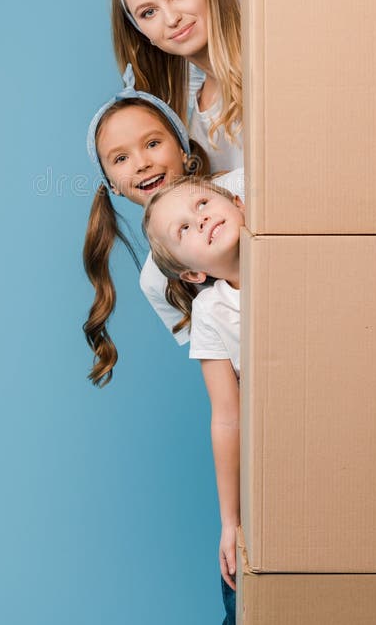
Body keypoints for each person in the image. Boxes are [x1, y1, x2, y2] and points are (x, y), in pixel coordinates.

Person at [83, 64, 244, 388]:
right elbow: (221, 372)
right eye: (120, 159)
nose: (142, 163)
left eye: (153, 143)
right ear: (111, 184)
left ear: (184, 149)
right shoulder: (155, 281)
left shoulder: (240, 188)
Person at [144, 176, 244, 623]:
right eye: (184, 230)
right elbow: (226, 417)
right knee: (237, 584)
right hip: (277, 456)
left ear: (238, 201)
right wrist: (230, 522)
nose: (200, 218)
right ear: (192, 274)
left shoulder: (295, 257)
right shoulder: (211, 311)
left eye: (203, 202)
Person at [112, 0, 242, 172]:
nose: (172, 18)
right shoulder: (190, 129)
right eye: (149, 12)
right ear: (142, 33)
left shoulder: (268, 59)